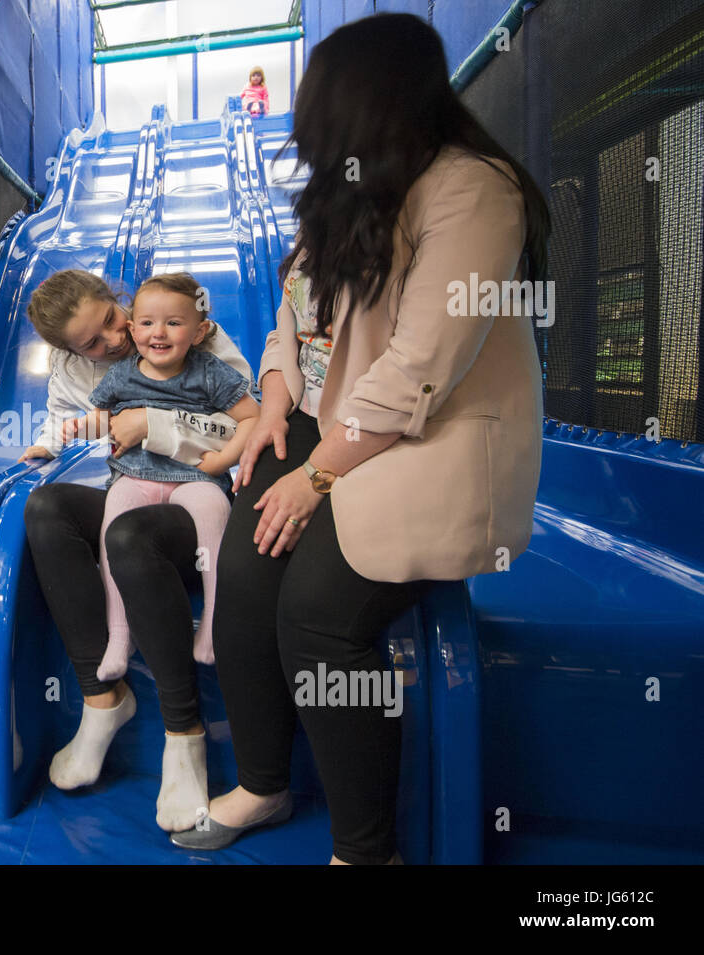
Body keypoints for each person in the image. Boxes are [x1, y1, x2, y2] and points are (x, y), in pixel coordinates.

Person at [172, 13, 551, 864]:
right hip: (330, 421)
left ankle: (365, 848)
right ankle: (265, 784)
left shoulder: (471, 190)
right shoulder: (353, 193)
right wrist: (274, 406)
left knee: (318, 614)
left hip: (431, 442)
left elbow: (422, 366)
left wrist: (315, 477)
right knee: (242, 572)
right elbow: (292, 325)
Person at [21, 269, 255, 831]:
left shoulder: (190, 332)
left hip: (195, 494)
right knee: (46, 509)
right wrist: (48, 443)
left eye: (110, 320)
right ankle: (102, 699)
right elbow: (67, 419)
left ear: (115, 297)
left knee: (127, 536)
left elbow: (245, 425)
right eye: (92, 344)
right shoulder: (77, 368)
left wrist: (154, 422)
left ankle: (184, 733)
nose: (115, 341)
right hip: (140, 487)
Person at [62, 273, 258, 681]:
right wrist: (78, 428)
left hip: (194, 477)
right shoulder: (122, 374)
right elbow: (102, 418)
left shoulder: (210, 372)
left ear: (199, 331)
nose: (159, 333)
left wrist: (223, 463)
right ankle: (119, 634)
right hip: (136, 473)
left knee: (214, 514)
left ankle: (214, 625)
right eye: (148, 323)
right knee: (112, 522)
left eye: (174, 323)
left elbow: (252, 418)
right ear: (134, 330)